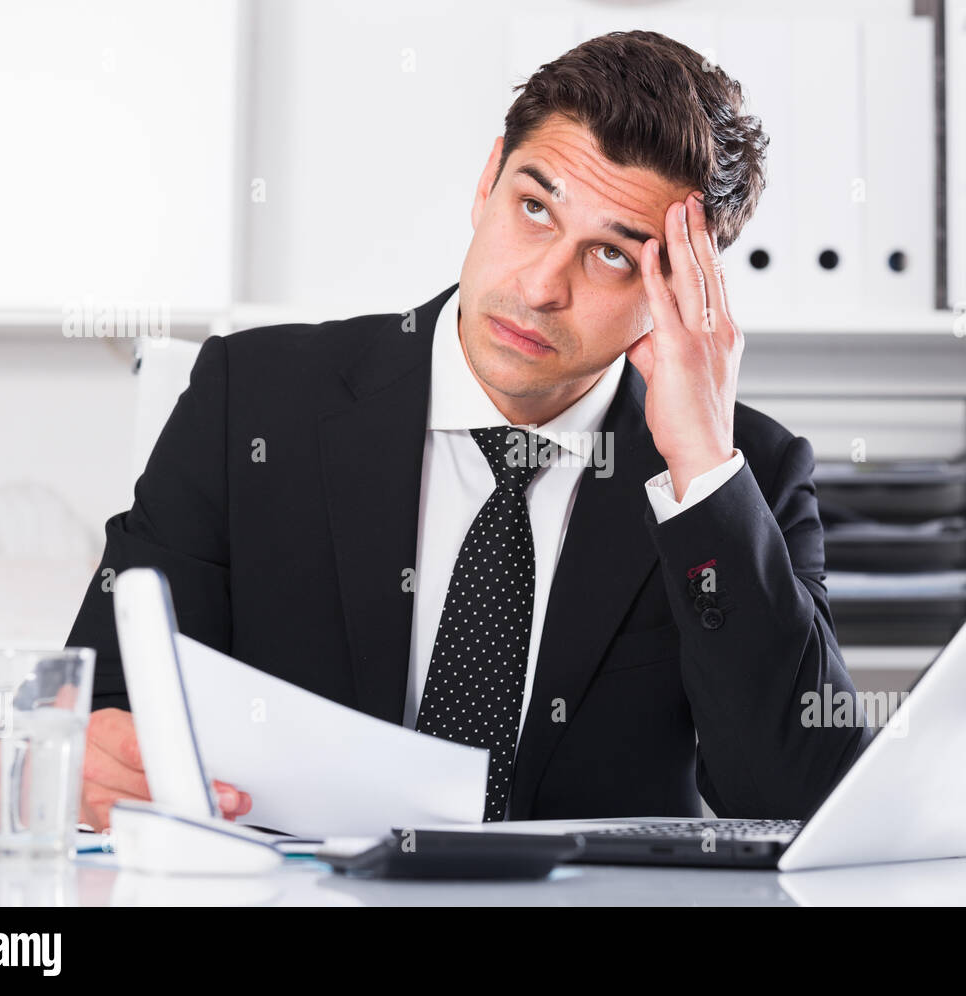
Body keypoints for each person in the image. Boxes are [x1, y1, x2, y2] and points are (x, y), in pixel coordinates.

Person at [66, 29, 871, 832]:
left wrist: (698, 462)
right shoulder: (252, 400)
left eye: (613, 257)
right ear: (488, 181)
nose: (542, 285)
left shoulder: (742, 478)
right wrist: (98, 753)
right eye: (534, 207)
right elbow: (108, 694)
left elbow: (797, 804)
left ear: (683, 293)